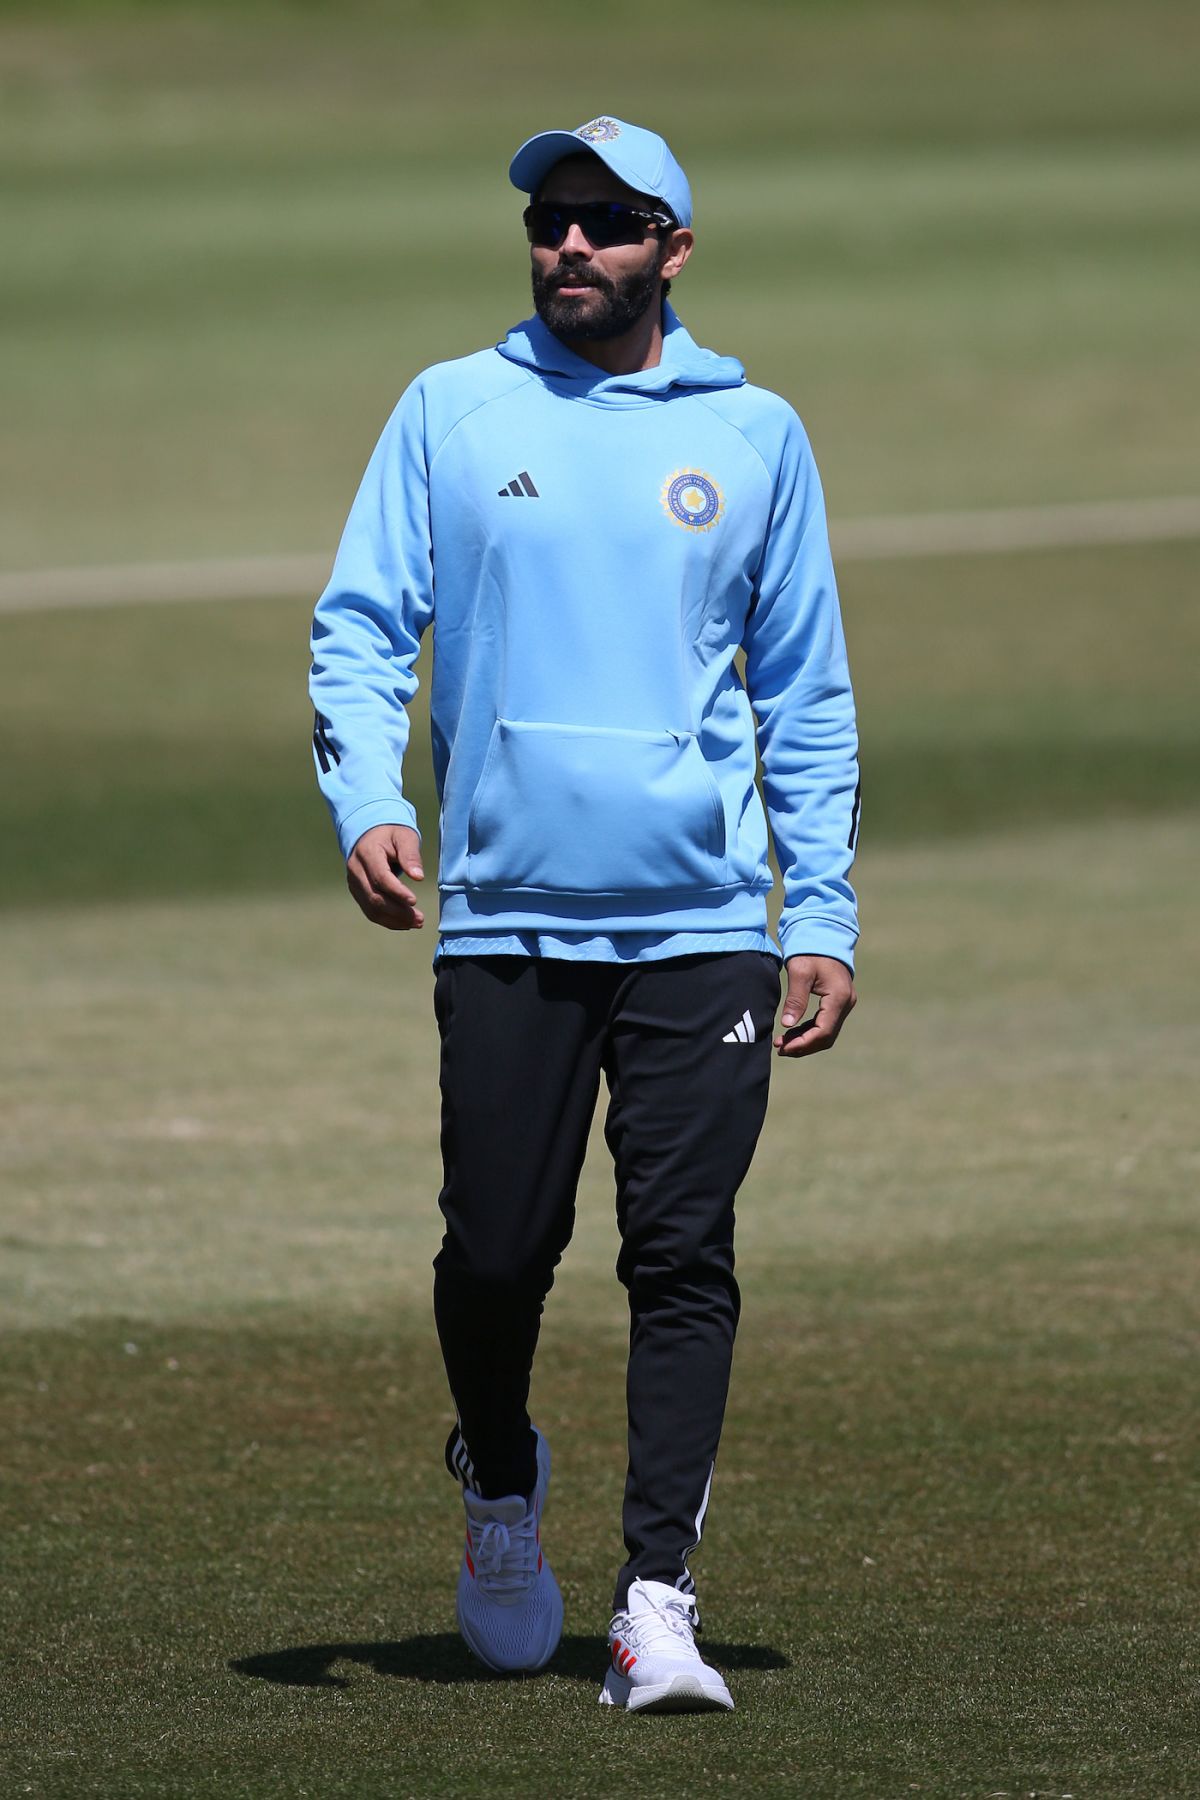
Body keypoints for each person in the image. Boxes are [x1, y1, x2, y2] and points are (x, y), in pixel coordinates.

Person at [310, 115, 860, 1715]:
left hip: (703, 922)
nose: (572, 247)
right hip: (504, 916)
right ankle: (498, 1483)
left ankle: (656, 1603)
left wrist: (816, 907)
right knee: (495, 1259)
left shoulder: (758, 433)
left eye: (611, 224)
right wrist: (369, 803)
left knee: (683, 1257)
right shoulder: (452, 412)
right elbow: (359, 627)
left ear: (673, 252)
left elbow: (805, 695)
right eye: (553, 220)